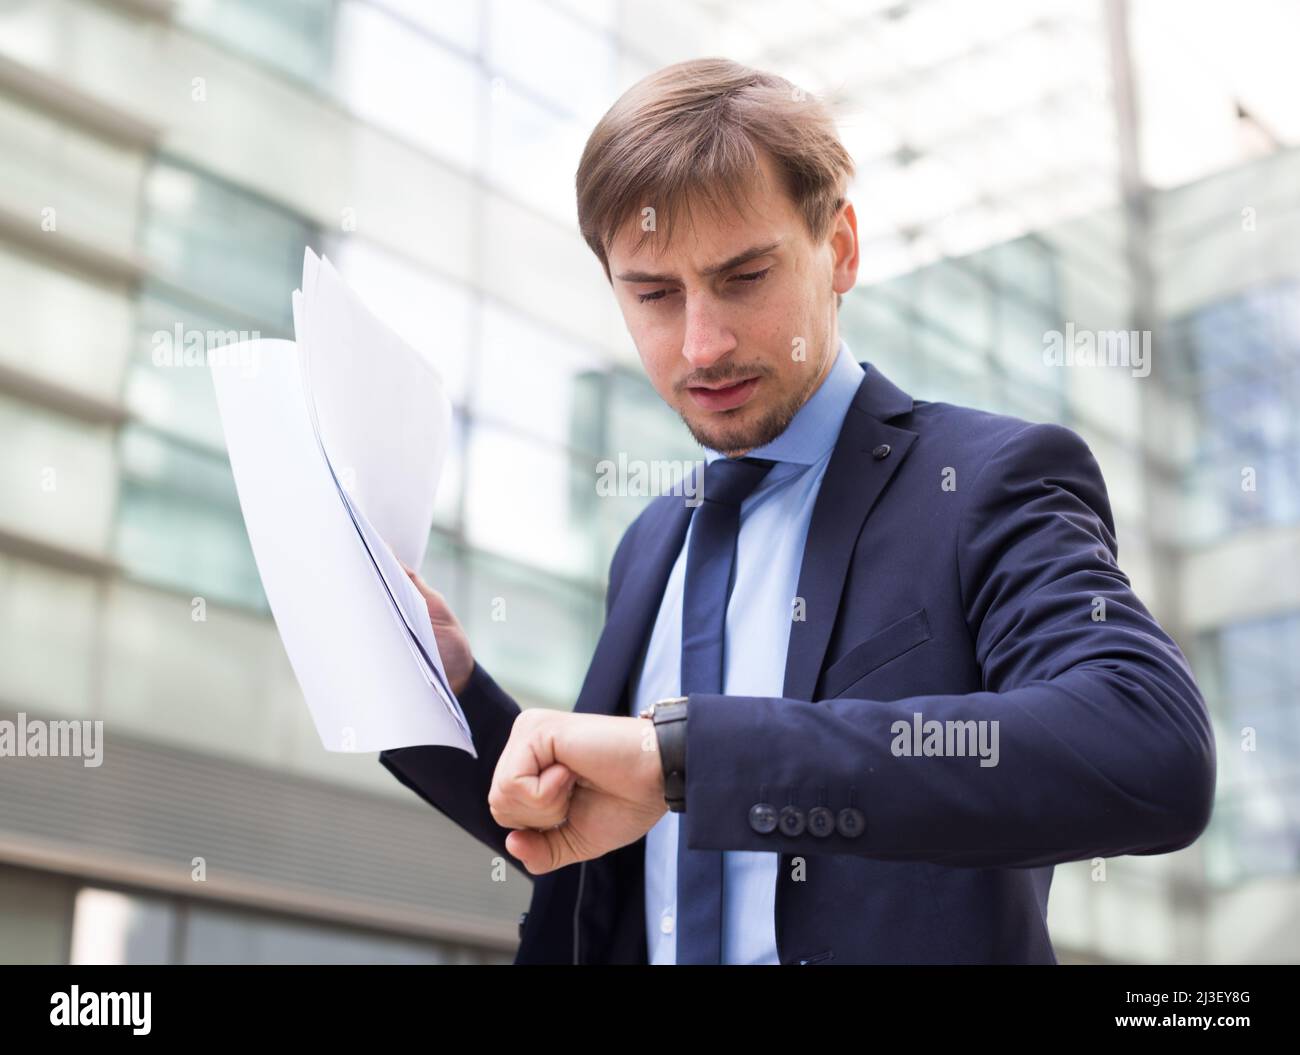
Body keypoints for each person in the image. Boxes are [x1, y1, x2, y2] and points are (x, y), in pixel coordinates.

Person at [380, 57, 1216, 965]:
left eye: (744, 277)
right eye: (655, 294)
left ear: (841, 249)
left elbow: (1147, 744)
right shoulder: (651, 540)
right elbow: (606, 835)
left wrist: (693, 756)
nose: (703, 344)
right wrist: (444, 691)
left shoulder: (987, 481)